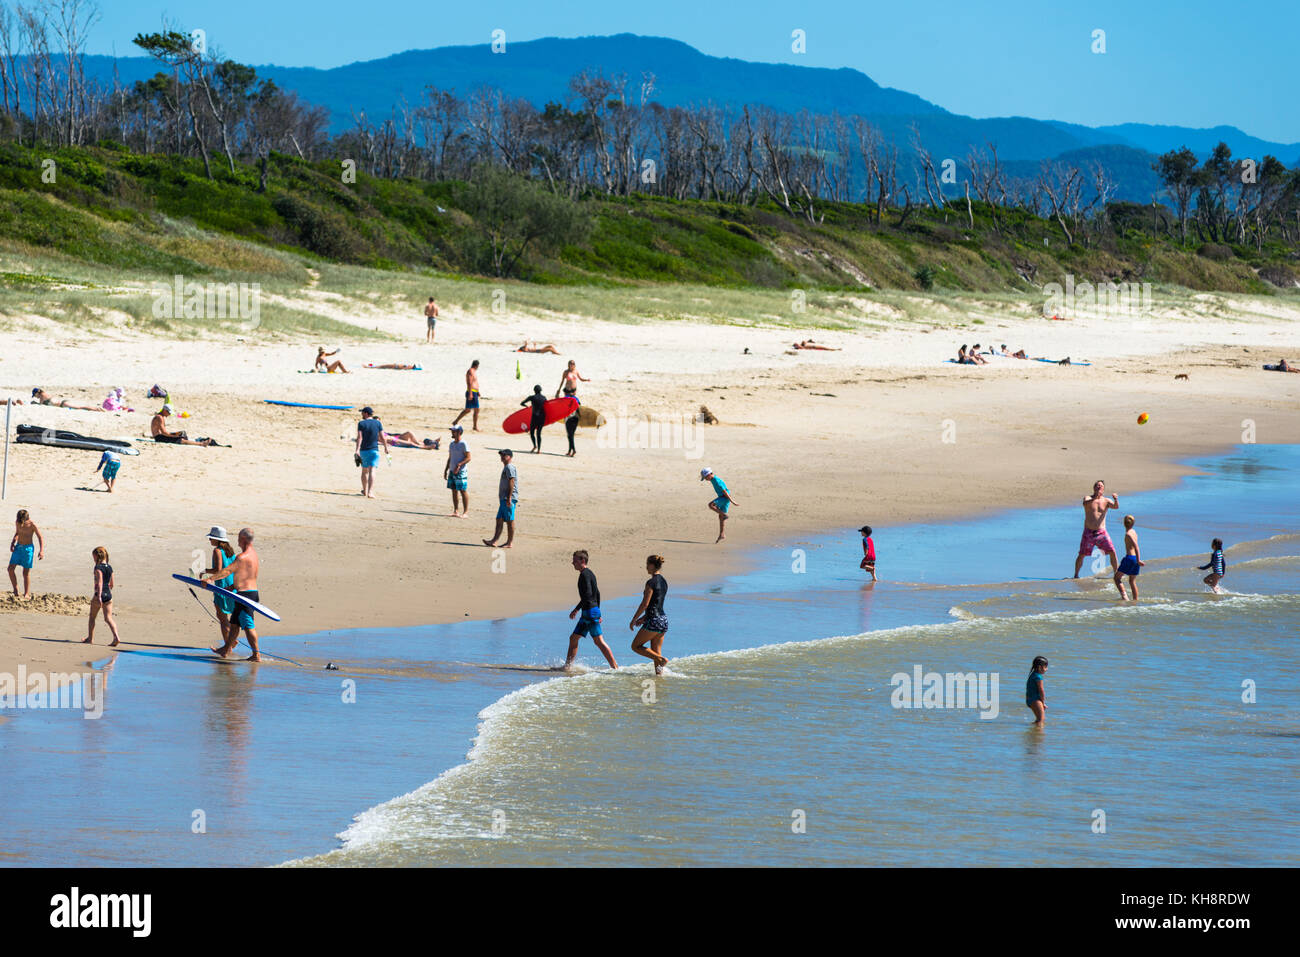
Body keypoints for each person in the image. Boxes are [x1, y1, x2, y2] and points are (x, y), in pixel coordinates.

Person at [200, 527, 262, 661]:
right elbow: (249, 575)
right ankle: (226, 649)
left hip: (245, 596)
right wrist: (233, 586)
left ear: (244, 539)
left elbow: (227, 571)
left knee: (248, 626)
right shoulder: (253, 555)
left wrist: (210, 579)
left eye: (239, 539)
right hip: (248, 592)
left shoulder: (242, 557)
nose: (238, 542)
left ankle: (256, 655)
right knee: (234, 624)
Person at [564, 550, 617, 670]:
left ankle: (615, 667)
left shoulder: (585, 575)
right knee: (573, 638)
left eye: (575, 560)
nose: (572, 563)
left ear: (582, 561)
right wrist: (598, 611)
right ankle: (567, 667)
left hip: (590, 613)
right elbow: (597, 593)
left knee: (598, 641)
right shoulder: (589, 573)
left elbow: (587, 595)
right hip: (590, 612)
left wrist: (576, 609)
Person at [629, 554, 670, 674]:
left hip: (654, 621)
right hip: (663, 620)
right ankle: (659, 677)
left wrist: (634, 619)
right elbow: (657, 603)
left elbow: (645, 604)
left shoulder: (651, 582)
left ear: (652, 565)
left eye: (647, 564)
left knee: (635, 646)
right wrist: (643, 618)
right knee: (655, 652)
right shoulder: (664, 582)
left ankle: (661, 659)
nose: (646, 567)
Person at [1073, 480, 1119, 578]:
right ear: (1094, 488)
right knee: (1082, 554)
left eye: (1100, 486)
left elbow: (1115, 507)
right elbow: (1085, 503)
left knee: (1112, 551)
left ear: (1103, 489)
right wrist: (1096, 497)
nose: (1098, 487)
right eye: (1097, 485)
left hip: (1101, 532)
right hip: (1088, 532)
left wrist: (1115, 499)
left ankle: (1116, 574)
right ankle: (1076, 575)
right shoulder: (1088, 498)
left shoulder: (1106, 501)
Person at [205, 526, 237, 649]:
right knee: (226, 616)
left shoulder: (217, 551)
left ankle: (228, 644)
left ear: (217, 539)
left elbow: (217, 570)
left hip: (222, 586)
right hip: (232, 585)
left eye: (211, 538)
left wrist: (205, 570)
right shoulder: (231, 551)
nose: (210, 541)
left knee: (222, 617)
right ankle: (231, 640)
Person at [83, 546, 120, 646]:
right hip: (108, 595)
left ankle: (90, 639)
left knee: (92, 617)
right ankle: (116, 637)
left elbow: (99, 582)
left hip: (99, 595)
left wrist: (99, 596)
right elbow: (112, 584)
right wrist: (106, 592)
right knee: (108, 618)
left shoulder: (98, 568)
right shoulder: (110, 567)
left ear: (97, 556)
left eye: (93, 557)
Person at [483, 449, 517, 548]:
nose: (502, 457)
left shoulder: (510, 467)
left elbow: (512, 481)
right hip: (504, 498)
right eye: (501, 455)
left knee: (510, 520)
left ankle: (509, 542)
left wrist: (509, 497)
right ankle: (494, 541)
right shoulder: (506, 467)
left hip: (508, 498)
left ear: (509, 457)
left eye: (504, 455)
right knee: (499, 519)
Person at [8, 509, 44, 598]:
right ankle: (15, 590)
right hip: (18, 547)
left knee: (25, 572)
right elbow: (17, 533)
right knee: (10, 569)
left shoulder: (32, 525)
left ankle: (26, 593)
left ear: (26, 519)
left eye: (22, 520)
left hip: (28, 549)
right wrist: (13, 543)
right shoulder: (18, 522)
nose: (20, 522)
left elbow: (40, 537)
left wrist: (41, 550)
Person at [354, 406, 388, 498]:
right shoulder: (378, 423)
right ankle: (370, 492)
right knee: (372, 470)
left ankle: (364, 491)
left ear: (366, 413)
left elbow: (359, 438)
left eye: (362, 412)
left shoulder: (361, 423)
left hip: (364, 451)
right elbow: (382, 437)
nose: (361, 414)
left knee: (364, 471)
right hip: (374, 450)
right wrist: (385, 447)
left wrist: (357, 450)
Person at [701, 467, 737, 543]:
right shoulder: (712, 479)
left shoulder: (716, 481)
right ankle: (722, 534)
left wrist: (732, 501)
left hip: (725, 497)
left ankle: (724, 515)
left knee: (711, 505)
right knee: (720, 517)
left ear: (710, 474)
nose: (706, 479)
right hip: (723, 497)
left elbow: (724, 491)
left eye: (705, 477)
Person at [1113, 514, 1145, 600]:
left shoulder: (1128, 534)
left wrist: (1139, 560)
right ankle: (1135, 600)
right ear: (1133, 524)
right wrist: (1137, 560)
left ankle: (1125, 597)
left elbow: (1136, 547)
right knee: (1132, 581)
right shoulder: (1134, 532)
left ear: (1124, 524)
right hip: (1134, 559)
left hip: (1130, 558)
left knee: (1117, 578)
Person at [445, 425, 470, 517]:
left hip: (461, 471)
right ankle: (456, 511)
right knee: (454, 490)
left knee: (463, 490)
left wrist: (459, 465)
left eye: (454, 431)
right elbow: (450, 457)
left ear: (459, 432)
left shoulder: (463, 444)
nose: (452, 433)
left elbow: (468, 458)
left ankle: (465, 512)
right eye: (452, 431)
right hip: (452, 470)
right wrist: (446, 469)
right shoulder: (452, 444)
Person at [452, 360, 480, 431]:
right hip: (472, 392)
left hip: (474, 392)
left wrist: (478, 391)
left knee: (468, 410)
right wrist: (470, 393)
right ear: (476, 366)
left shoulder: (473, 371)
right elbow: (469, 382)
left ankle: (455, 421)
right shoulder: (470, 371)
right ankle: (475, 426)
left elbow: (474, 383)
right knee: (475, 409)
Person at [521, 385, 547, 453]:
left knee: (532, 433)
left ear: (534, 390)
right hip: (542, 417)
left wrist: (527, 407)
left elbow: (522, 403)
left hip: (535, 417)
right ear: (541, 390)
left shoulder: (532, 397)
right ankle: (539, 450)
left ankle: (535, 445)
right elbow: (547, 407)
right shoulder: (544, 398)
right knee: (539, 434)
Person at [30, 388, 101, 411]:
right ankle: (96, 408)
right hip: (62, 404)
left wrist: (35, 403)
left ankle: (97, 409)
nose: (35, 397)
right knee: (79, 407)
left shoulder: (42, 395)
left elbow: (41, 405)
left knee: (80, 407)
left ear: (37, 393)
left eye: (35, 395)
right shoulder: (43, 395)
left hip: (62, 403)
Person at [1025, 656, 1048, 726]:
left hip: (1030, 699)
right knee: (1041, 720)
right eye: (1045, 667)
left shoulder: (1032, 674)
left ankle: (1033, 732)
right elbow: (1041, 690)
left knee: (1039, 719)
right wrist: (1043, 703)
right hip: (1035, 700)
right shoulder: (1038, 677)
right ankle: (1038, 735)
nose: (1046, 669)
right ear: (1040, 667)